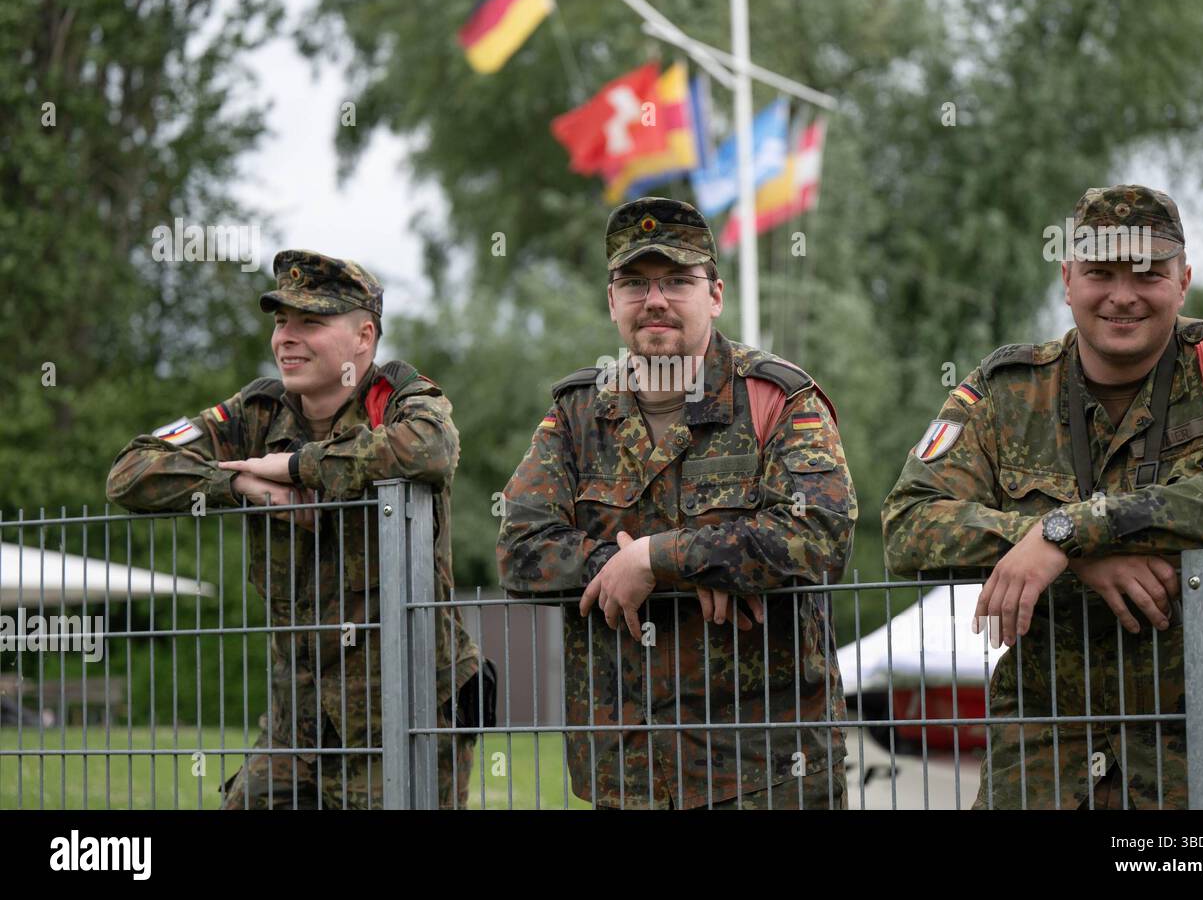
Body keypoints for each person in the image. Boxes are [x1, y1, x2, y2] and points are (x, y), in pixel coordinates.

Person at [881, 184, 1203, 808]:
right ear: (1067, 279)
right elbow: (908, 526)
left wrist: (1072, 530)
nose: (1122, 295)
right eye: (1100, 272)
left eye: (1148, 274)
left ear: (1183, 281)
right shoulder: (1007, 390)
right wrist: (1067, 550)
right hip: (1043, 755)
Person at [496, 197, 857, 809]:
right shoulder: (578, 413)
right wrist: (646, 570)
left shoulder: (777, 398)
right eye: (634, 283)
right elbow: (519, 549)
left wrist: (661, 560)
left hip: (765, 767)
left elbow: (820, 536)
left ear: (714, 294)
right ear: (612, 302)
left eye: (677, 281)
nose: (654, 300)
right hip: (626, 771)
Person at [106, 250, 480, 809]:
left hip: (405, 712)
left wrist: (294, 467)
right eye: (281, 321)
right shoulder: (257, 415)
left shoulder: (398, 400)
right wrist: (234, 486)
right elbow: (129, 471)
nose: (287, 338)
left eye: (311, 322)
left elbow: (429, 448)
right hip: (297, 718)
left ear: (364, 336)